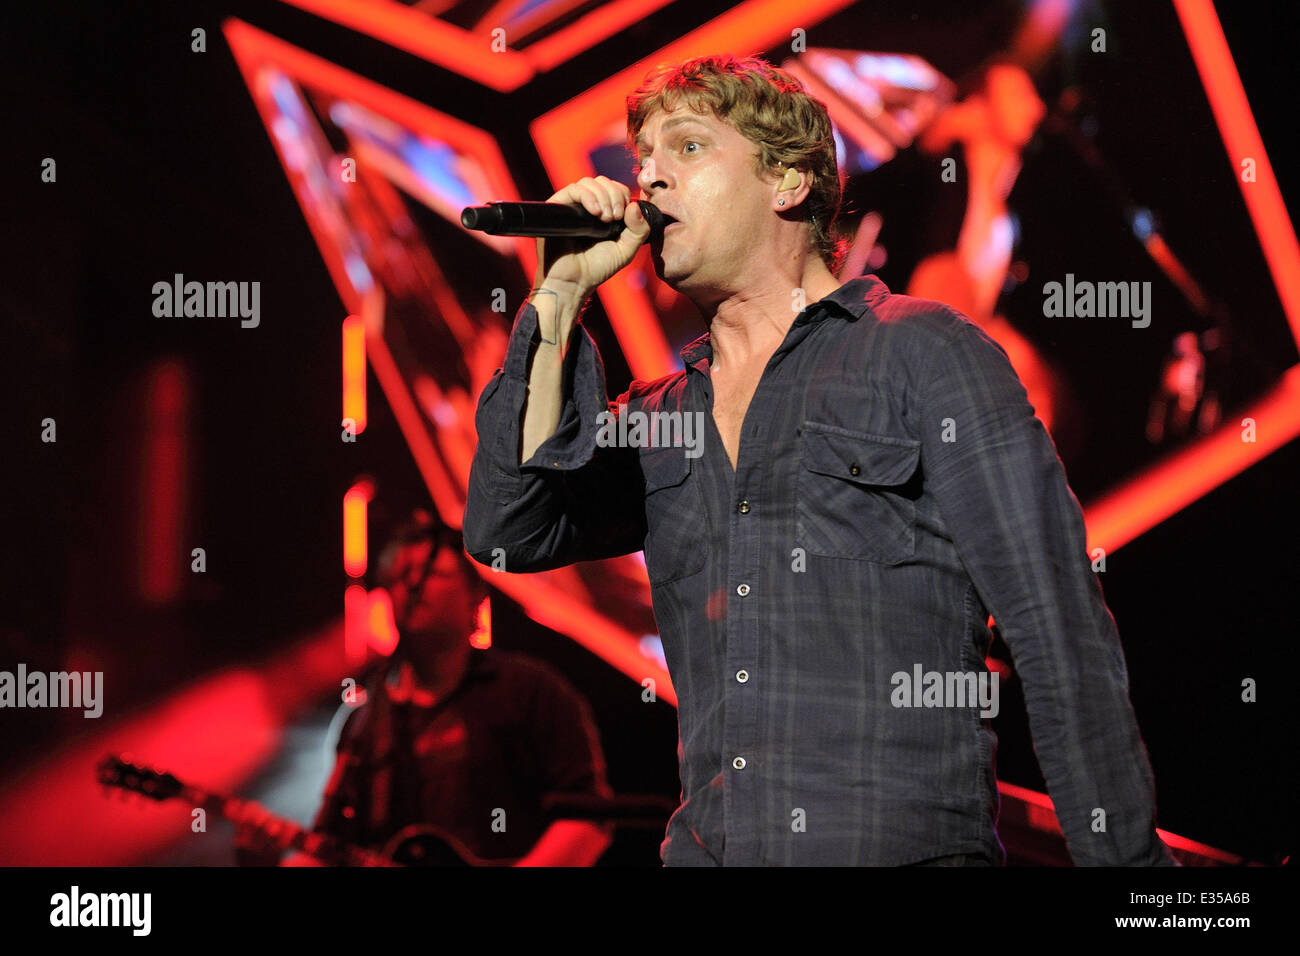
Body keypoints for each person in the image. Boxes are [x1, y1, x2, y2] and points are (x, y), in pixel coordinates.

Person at [463, 54, 1174, 866]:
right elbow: (506, 531)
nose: (649, 179)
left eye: (687, 149)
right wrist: (559, 294)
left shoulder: (926, 356)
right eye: (642, 161)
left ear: (790, 180)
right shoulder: (661, 417)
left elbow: (1057, 629)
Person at [236, 511, 614, 866]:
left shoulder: (530, 691)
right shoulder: (364, 724)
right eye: (399, 576)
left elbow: (589, 818)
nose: (413, 585)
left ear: (475, 594)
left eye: (431, 572)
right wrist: (263, 857)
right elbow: (333, 848)